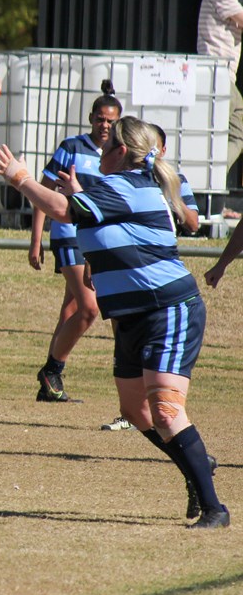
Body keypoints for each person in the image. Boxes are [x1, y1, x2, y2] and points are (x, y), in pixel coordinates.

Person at [0, 118, 228, 529]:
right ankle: (197, 461)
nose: (99, 149)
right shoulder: (118, 188)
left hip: (166, 309)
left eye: (106, 145)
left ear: (120, 152)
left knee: (167, 411)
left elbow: (63, 211)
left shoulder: (128, 185)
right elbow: (88, 218)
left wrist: (21, 178)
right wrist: (78, 194)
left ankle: (215, 509)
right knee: (136, 411)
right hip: (134, 315)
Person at [100, 123, 199, 430]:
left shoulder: (172, 180)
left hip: (159, 278)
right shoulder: (120, 182)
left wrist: (167, 201)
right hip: (126, 277)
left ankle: (166, 414)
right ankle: (135, 409)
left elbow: (193, 222)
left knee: (161, 363)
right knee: (127, 341)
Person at [29, 83, 121, 404]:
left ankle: (50, 384)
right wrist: (36, 238)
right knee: (90, 308)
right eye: (99, 119)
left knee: (70, 309)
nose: (104, 125)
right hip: (69, 235)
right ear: (90, 118)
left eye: (110, 120)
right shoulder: (71, 147)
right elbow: (44, 193)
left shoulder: (119, 156)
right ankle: (52, 370)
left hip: (97, 239)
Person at [196, 0, 243, 178]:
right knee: (235, 129)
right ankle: (211, 179)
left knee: (233, 129)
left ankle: (213, 178)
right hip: (218, 72)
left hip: (222, 74)